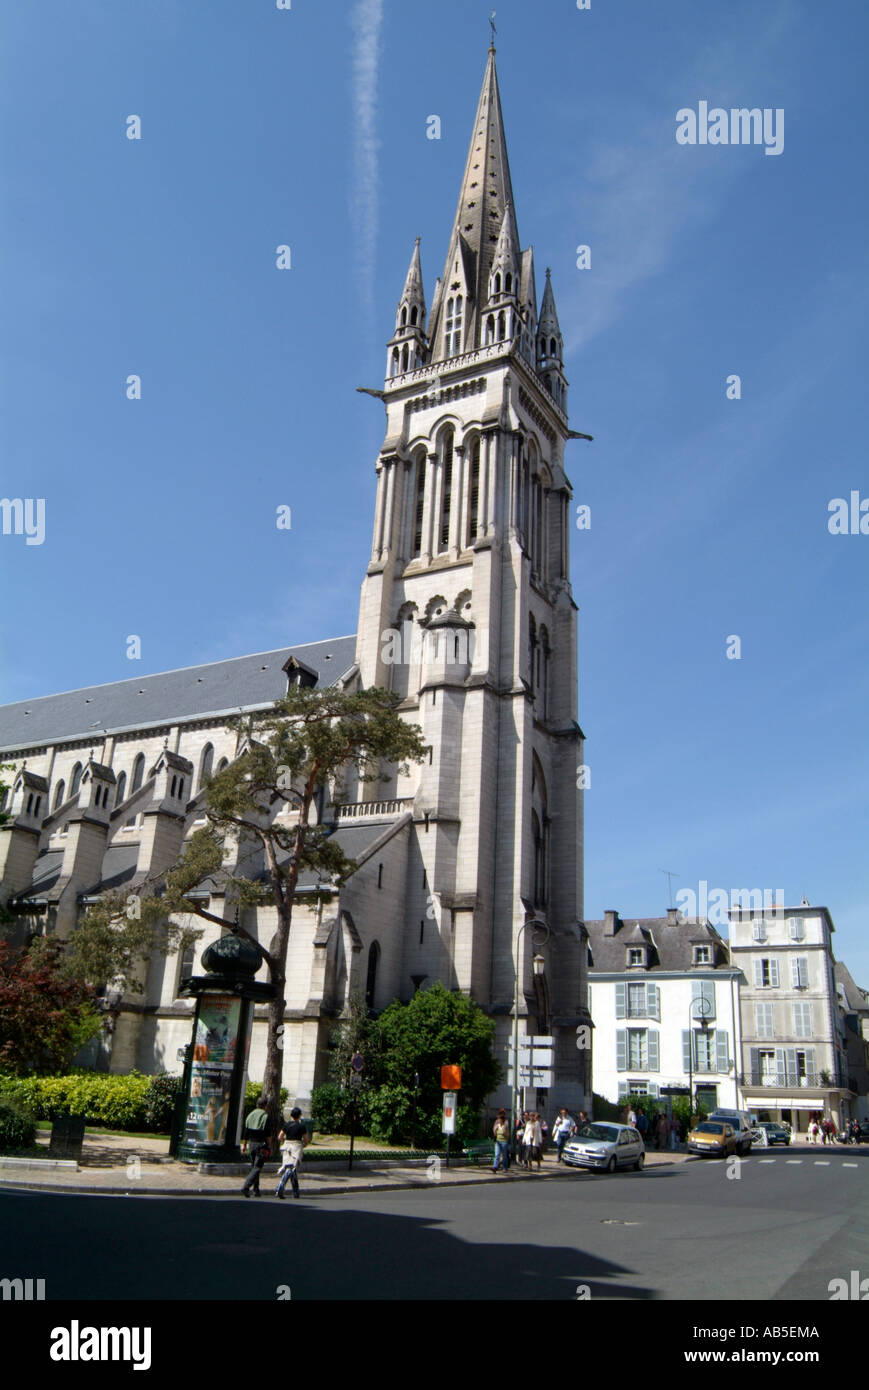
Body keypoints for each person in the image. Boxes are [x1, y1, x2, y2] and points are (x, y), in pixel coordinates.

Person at [275, 1107, 308, 1199]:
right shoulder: (301, 1126)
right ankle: (281, 1185)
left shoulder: (286, 1125)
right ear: (299, 1116)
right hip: (296, 1147)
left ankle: (296, 1191)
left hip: (287, 1146)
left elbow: (280, 1137)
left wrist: (284, 1140)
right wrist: (304, 1145)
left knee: (290, 1168)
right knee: (292, 1168)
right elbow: (306, 1140)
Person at [241, 1095, 271, 1197]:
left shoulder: (250, 1115)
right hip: (261, 1144)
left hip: (251, 1143)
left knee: (253, 1166)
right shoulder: (265, 1116)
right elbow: (267, 1133)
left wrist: (244, 1145)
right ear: (265, 1106)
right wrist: (269, 1145)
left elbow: (246, 1132)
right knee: (257, 1167)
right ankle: (246, 1186)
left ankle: (256, 1189)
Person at [492, 1109, 510, 1174]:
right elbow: (494, 1134)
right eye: (498, 1119)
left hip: (504, 1142)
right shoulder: (497, 1125)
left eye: (500, 1119)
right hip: (498, 1141)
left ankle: (505, 1167)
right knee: (497, 1155)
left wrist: (504, 1131)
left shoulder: (505, 1126)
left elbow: (507, 1136)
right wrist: (495, 1130)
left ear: (502, 1120)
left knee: (504, 1156)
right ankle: (495, 1167)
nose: (499, 1121)